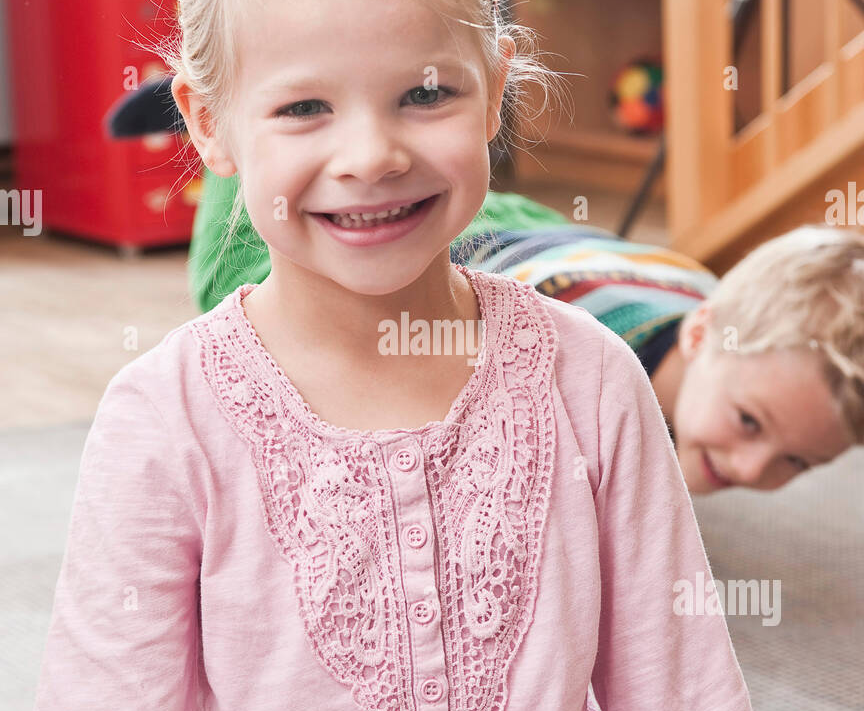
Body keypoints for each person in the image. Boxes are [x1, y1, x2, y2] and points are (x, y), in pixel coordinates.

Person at [15, 0, 813, 711]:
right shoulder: (163, 420)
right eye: (303, 107)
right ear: (208, 122)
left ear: (494, 83)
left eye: (425, 93)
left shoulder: (594, 383)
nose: (373, 152)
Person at [190, 166, 864, 495]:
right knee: (256, 289)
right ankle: (231, 117)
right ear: (700, 335)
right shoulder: (551, 364)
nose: (751, 470)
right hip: (473, 256)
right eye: (750, 422)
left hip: (545, 237)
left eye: (796, 463)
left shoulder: (725, 321)